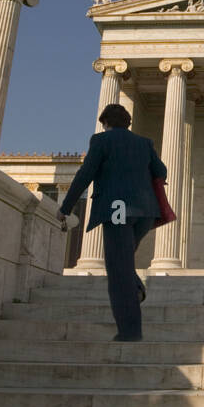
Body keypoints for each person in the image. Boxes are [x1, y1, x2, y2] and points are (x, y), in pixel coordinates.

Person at [56, 104, 166, 341]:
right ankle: (135, 289)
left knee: (118, 271)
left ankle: (130, 331)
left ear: (105, 123)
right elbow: (162, 170)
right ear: (127, 123)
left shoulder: (101, 141)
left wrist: (65, 207)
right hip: (146, 212)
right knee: (122, 262)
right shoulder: (144, 143)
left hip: (117, 211)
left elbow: (85, 174)